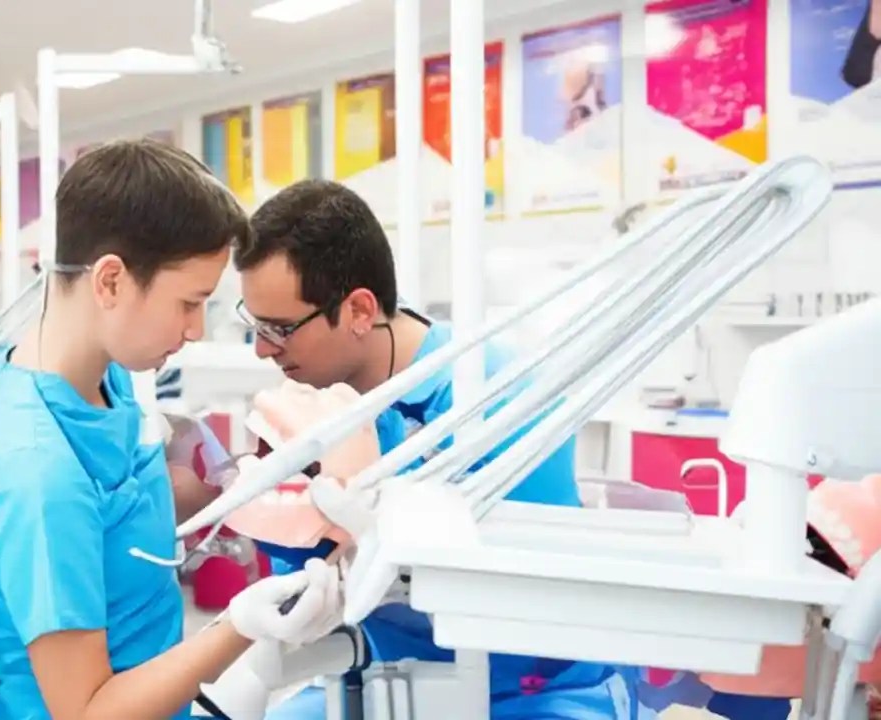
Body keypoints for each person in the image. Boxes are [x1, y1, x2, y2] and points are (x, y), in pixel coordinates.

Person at [0, 140, 345, 720]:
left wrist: (211, 489)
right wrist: (240, 625)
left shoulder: (100, 382)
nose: (193, 330)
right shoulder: (36, 472)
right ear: (109, 281)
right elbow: (87, 711)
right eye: (189, 304)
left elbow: (116, 512)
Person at [233, 179, 637, 719]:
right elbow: (310, 578)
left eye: (280, 328)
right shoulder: (322, 404)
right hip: (385, 673)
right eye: (254, 323)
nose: (262, 349)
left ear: (358, 310)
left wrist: (372, 520)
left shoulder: (491, 394)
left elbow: (527, 601)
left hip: (534, 687)